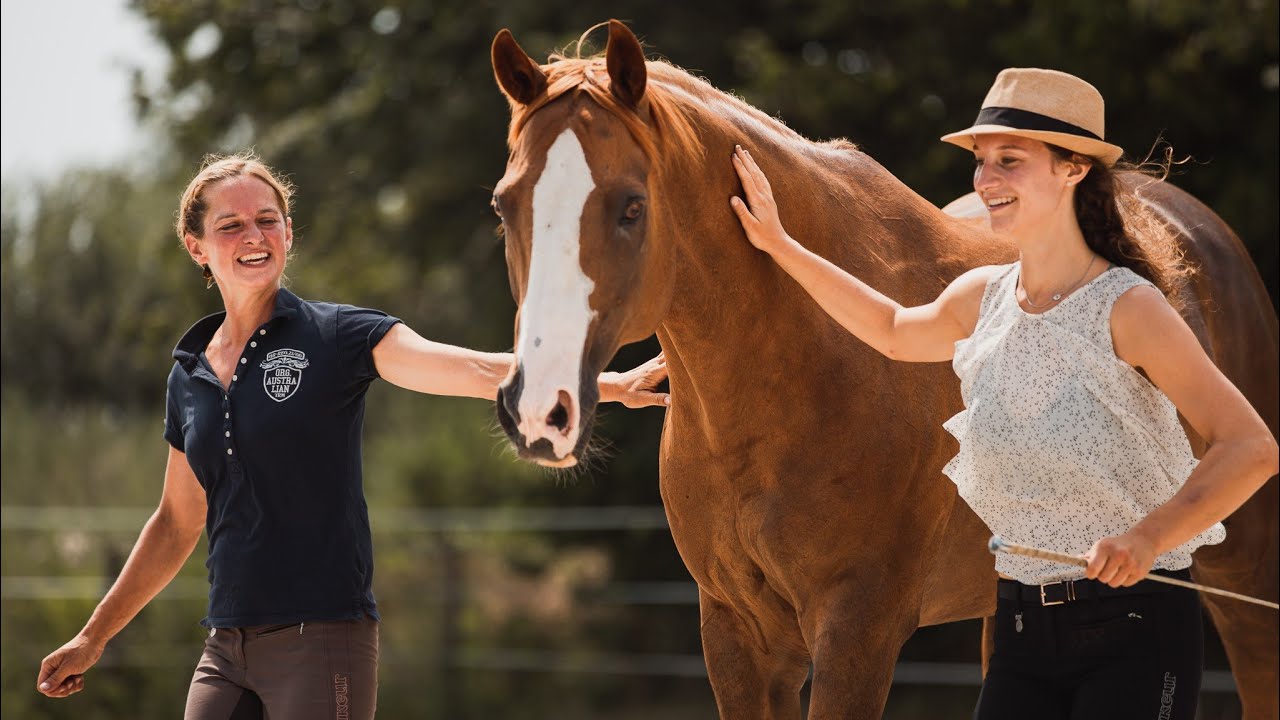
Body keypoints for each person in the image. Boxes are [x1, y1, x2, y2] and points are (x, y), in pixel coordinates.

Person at [35, 152, 669, 719]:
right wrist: (94, 636)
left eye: (268, 219)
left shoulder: (338, 337)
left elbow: (467, 367)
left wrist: (602, 384)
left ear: (288, 232)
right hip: (225, 646)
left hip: (322, 641)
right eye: (230, 225)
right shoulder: (189, 373)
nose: (254, 236)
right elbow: (176, 521)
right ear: (197, 246)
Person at [727, 68, 1277, 719]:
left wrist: (1149, 537)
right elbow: (892, 329)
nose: (983, 182)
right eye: (981, 162)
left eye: (1008, 162)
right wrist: (780, 245)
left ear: (1074, 168)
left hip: (1135, 628)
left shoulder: (1129, 308)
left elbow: (1250, 446)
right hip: (1019, 629)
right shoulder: (983, 298)